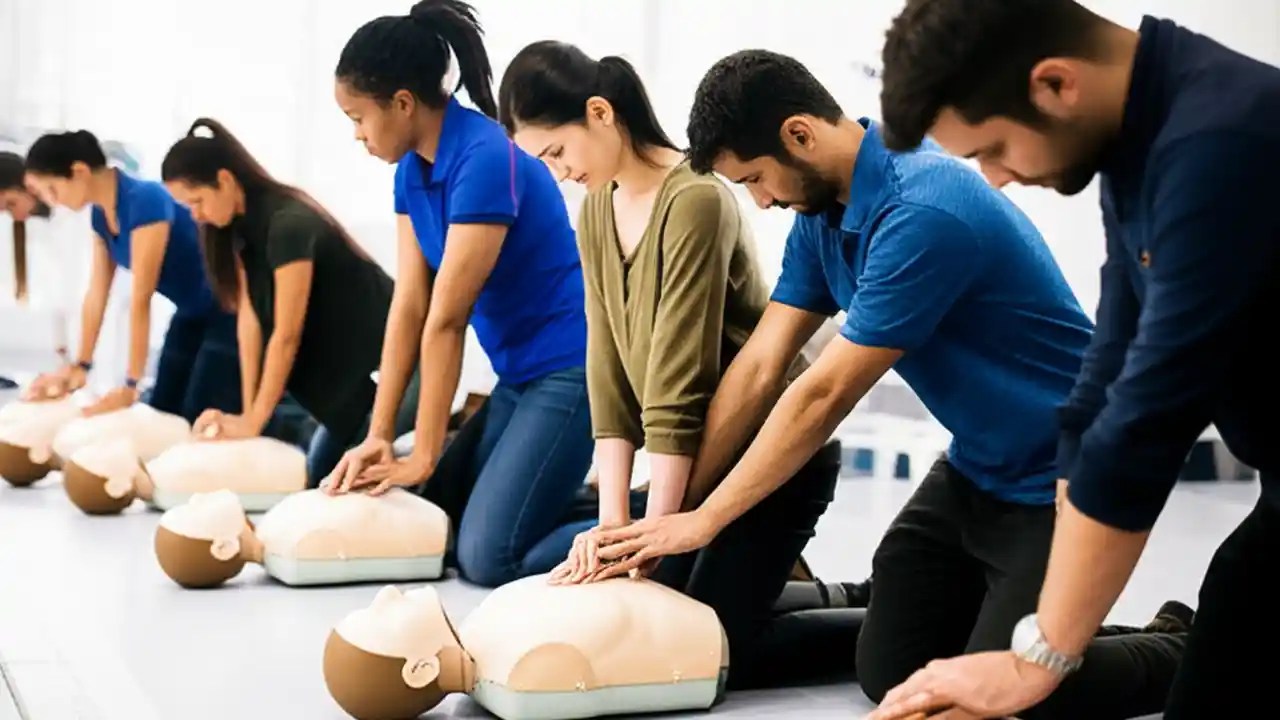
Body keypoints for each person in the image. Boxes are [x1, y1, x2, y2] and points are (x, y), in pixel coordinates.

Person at [588, 50, 1190, 719]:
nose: (760, 201)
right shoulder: (821, 216)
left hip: (1061, 477)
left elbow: (823, 395)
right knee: (891, 671)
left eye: (756, 179)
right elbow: (760, 365)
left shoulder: (924, 209)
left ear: (799, 135)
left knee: (1018, 696)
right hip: (974, 469)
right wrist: (663, 519)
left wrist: (701, 521)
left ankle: (1178, 645)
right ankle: (1019, 630)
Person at [866, 2, 1280, 719]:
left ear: (1055, 85)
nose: (993, 178)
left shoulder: (1223, 139)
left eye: (991, 149)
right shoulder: (1139, 139)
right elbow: (1109, 372)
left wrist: (1042, 655)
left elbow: (1149, 421)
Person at [496, 40, 867, 690]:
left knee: (712, 650)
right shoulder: (594, 212)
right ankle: (832, 591)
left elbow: (678, 381)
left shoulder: (694, 199)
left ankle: (888, 612)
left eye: (556, 152)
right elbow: (607, 368)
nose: (556, 172)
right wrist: (616, 524)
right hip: (692, 463)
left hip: (765, 457)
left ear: (601, 114)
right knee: (588, 573)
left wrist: (653, 541)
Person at [324, 0, 597, 589]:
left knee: (488, 558)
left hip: (571, 373)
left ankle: (649, 522)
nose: (356, 135)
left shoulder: (484, 157)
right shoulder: (411, 171)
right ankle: (585, 503)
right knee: (449, 524)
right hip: (518, 378)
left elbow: (447, 319)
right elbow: (410, 306)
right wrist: (377, 434)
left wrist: (422, 452)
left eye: (358, 117)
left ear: (402, 103)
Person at [161, 118, 411, 483]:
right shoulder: (238, 231)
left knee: (348, 479)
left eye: (196, 202)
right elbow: (249, 321)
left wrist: (254, 420)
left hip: (395, 364)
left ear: (225, 181)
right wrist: (249, 415)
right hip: (349, 380)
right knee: (319, 474)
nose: (195, 216)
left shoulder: (287, 224)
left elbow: (286, 333)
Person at [21, 131, 241, 421]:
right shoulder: (100, 217)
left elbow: (141, 298)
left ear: (79, 172)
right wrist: (80, 366)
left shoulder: (144, 200)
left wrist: (131, 385)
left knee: (195, 414)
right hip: (190, 313)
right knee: (163, 412)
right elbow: (97, 293)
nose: (52, 201)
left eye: (52, 189)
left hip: (229, 311)